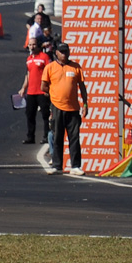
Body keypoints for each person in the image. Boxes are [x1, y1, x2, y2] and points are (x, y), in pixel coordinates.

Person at [43, 42, 88, 176]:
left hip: (73, 108)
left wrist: (85, 104)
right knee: (58, 137)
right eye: (62, 52)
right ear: (56, 53)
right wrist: (53, 94)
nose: (64, 54)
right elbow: (43, 86)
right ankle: (57, 165)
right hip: (57, 107)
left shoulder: (75, 67)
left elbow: (82, 87)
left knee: (74, 137)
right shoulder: (50, 67)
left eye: (66, 52)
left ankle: (75, 166)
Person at [19, 41, 51, 144]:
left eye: (34, 45)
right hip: (31, 92)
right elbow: (28, 74)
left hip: (42, 91)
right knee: (30, 114)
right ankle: (30, 137)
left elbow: (50, 73)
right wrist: (23, 88)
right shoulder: (29, 59)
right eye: (30, 45)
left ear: (38, 46)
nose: (32, 47)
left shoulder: (44, 57)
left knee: (45, 114)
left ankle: (46, 136)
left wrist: (48, 88)